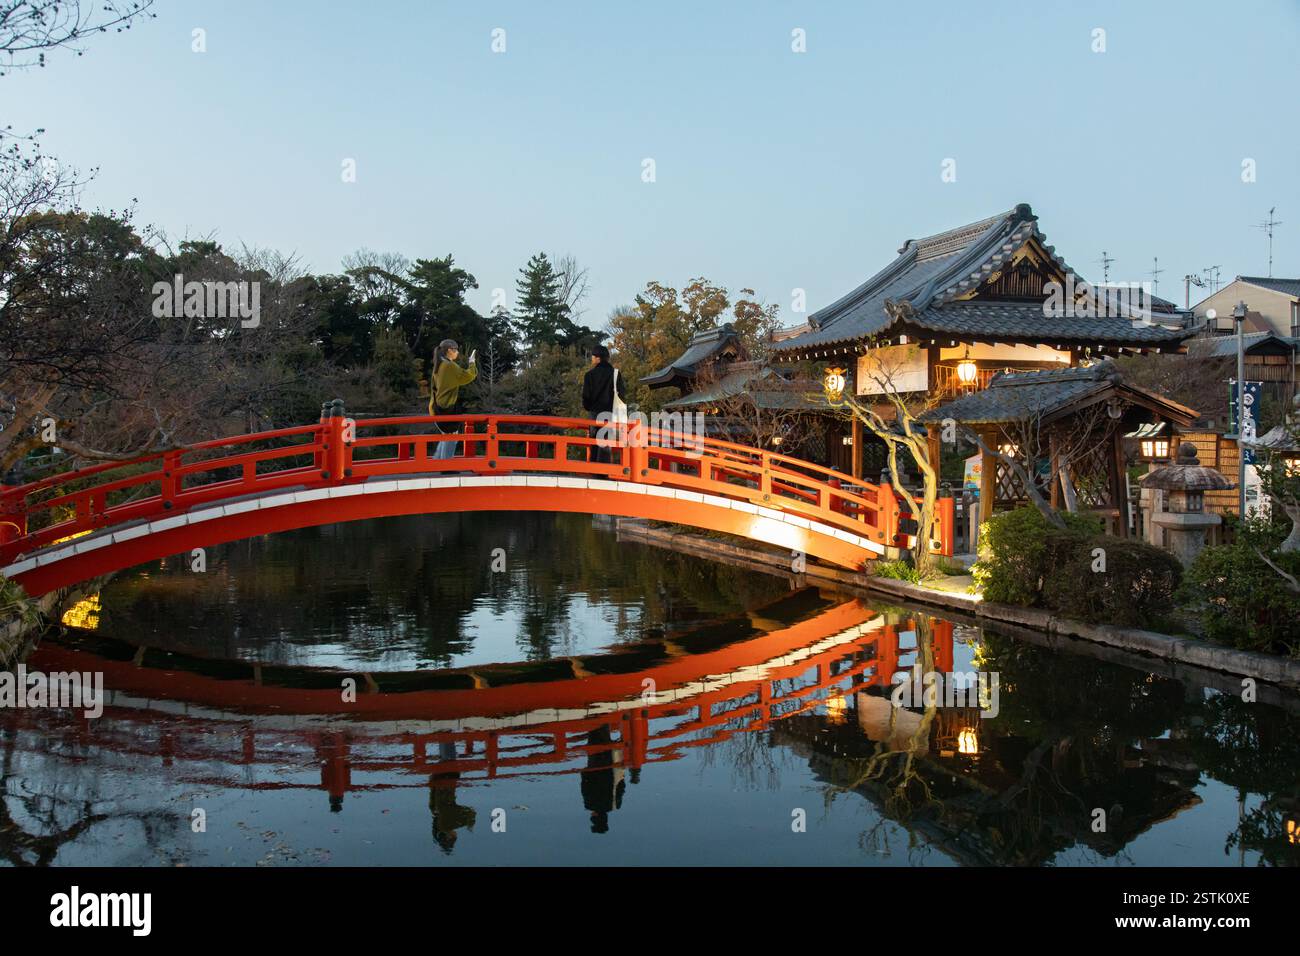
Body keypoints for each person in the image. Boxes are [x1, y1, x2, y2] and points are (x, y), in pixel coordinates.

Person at [430, 339, 477, 460]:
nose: (457, 353)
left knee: (447, 436)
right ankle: (446, 466)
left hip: (436, 407)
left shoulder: (439, 364)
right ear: (450, 350)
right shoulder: (449, 366)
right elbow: (468, 376)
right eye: (456, 350)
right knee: (451, 437)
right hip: (446, 408)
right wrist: (471, 362)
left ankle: (436, 462)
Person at [581, 344, 626, 464]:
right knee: (606, 441)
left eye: (593, 356)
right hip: (610, 412)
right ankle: (604, 471)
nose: (592, 359)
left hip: (595, 413)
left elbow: (586, 397)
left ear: (597, 358)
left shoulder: (589, 375)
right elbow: (621, 395)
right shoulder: (616, 374)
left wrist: (589, 407)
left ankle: (594, 468)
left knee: (594, 441)